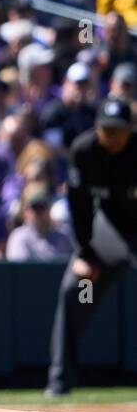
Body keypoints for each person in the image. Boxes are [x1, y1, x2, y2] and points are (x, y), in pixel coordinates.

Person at [46, 98, 137, 396]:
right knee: (77, 292)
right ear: (97, 128)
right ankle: (60, 381)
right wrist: (86, 253)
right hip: (105, 234)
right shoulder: (84, 151)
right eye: (106, 130)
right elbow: (79, 207)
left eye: (118, 131)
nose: (112, 137)